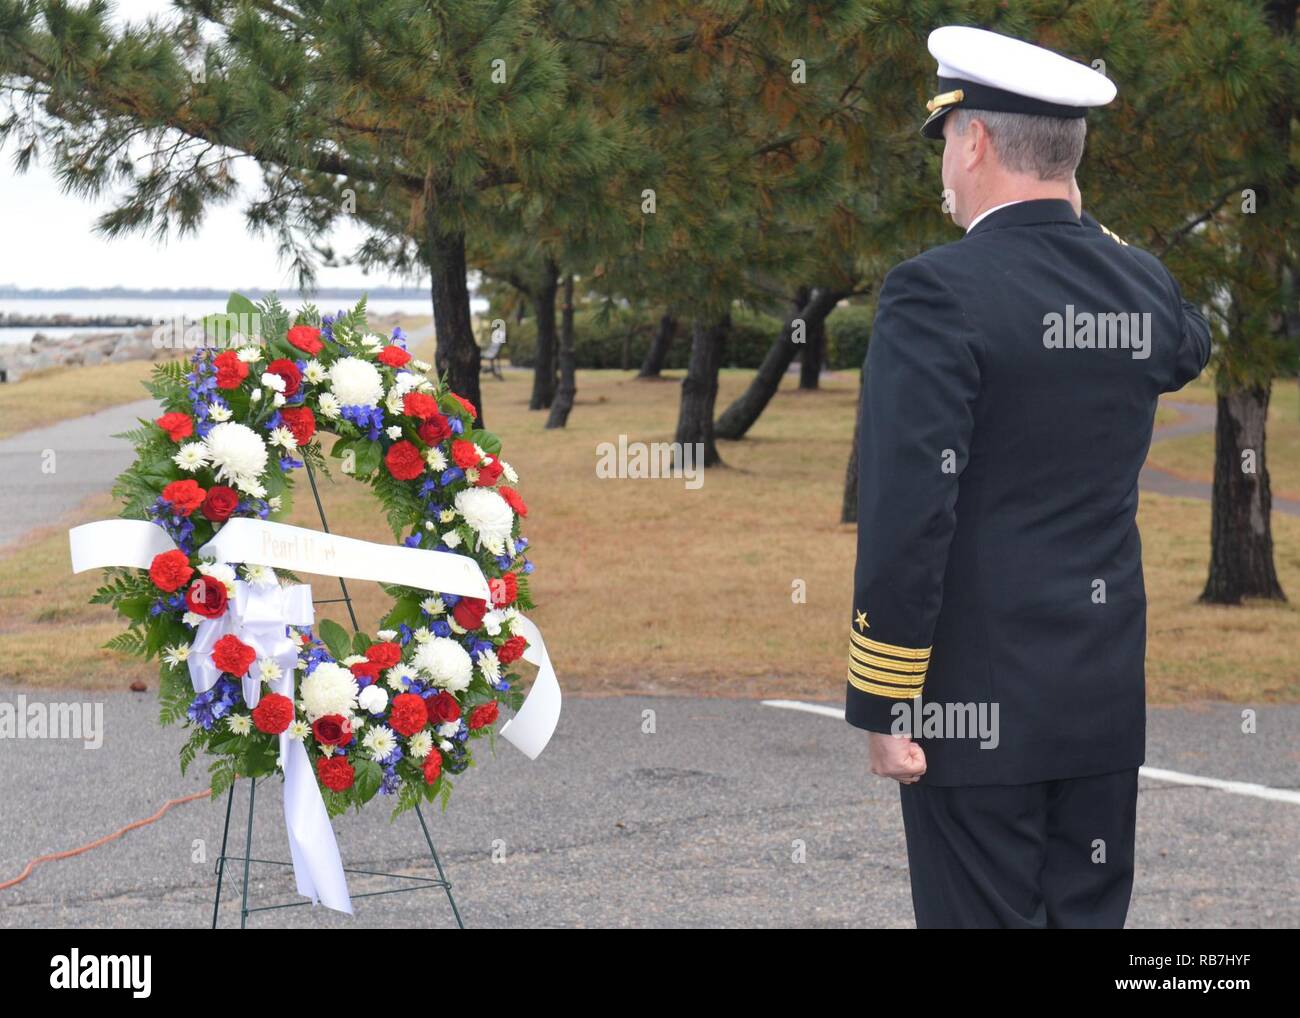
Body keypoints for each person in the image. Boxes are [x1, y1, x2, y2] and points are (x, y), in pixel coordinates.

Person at [845, 25, 1212, 928]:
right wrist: (1084, 224)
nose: (941, 168)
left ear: (972, 139)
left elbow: (907, 515)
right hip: (1096, 707)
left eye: (945, 142)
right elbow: (1190, 341)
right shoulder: (1141, 287)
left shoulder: (934, 292)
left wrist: (887, 696)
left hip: (970, 717)